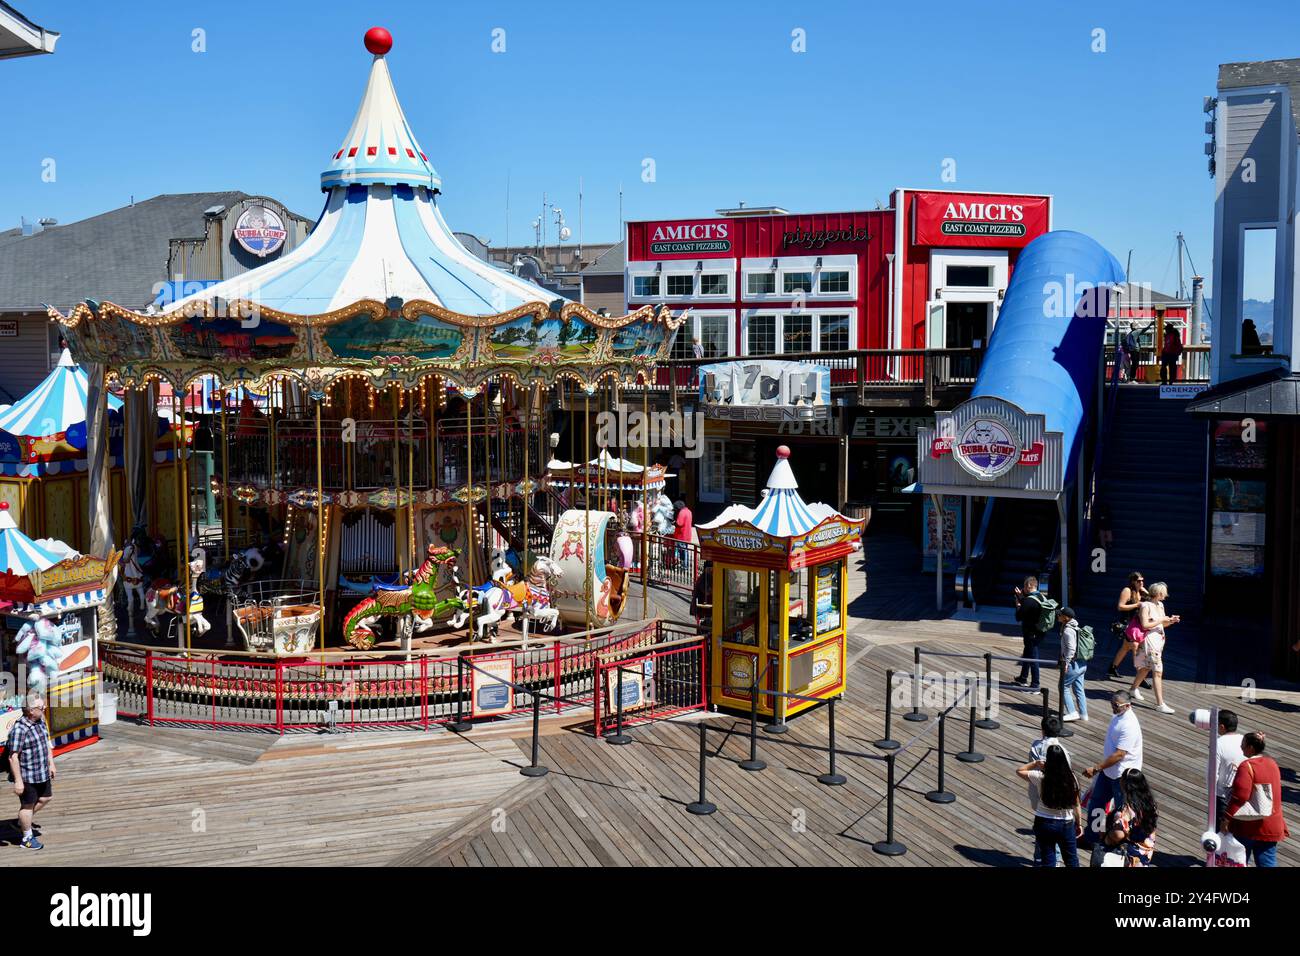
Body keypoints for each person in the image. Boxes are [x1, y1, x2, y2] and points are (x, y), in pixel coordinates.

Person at [1081, 690, 1143, 847]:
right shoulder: (1117, 715)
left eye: (1116, 705)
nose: (1113, 707)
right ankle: (1093, 837)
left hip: (1122, 776)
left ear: (1128, 705)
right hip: (1109, 772)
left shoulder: (1129, 725)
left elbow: (1119, 755)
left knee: (1123, 812)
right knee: (1097, 805)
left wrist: (1096, 768)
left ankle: (1120, 842)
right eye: (1112, 704)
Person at [1224, 732, 1289, 867]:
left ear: (1251, 748)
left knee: (1238, 860)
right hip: (1272, 823)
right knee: (1267, 862)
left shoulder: (1246, 766)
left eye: (1243, 745)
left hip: (1249, 825)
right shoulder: (1272, 763)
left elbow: (1240, 796)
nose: (1241, 748)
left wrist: (1227, 818)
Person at [1018, 744, 1084, 867]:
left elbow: (1019, 770)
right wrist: (1079, 823)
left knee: (1048, 860)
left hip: (1044, 822)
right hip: (1066, 823)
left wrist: (1036, 763)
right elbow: (1076, 804)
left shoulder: (1040, 777)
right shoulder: (1072, 779)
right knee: (1071, 860)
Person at [6, 693, 54, 851]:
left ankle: (20, 821)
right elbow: (13, 757)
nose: (45, 708)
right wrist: (18, 781)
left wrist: (51, 763)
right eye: (41, 707)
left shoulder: (40, 720)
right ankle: (26, 839)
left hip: (41, 772)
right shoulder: (20, 729)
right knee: (27, 807)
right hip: (27, 776)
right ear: (31, 711)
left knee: (46, 797)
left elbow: (46, 743)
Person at [1130, 581, 1178, 714]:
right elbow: (1145, 625)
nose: (1165, 595)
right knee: (1157, 671)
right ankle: (1160, 704)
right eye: (1163, 593)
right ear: (1158, 593)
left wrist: (1171, 621)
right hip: (1149, 642)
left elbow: (1162, 625)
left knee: (1145, 667)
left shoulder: (1160, 605)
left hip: (1158, 641)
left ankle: (1133, 689)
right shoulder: (1146, 606)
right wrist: (1162, 620)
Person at [1106, 768, 1159, 866]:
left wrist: (1108, 839)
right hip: (1144, 856)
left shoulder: (1126, 810)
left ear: (1125, 785)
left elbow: (1118, 834)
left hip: (1127, 858)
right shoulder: (1151, 805)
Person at [1012, 576, 1053, 689]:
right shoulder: (1041, 597)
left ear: (1029, 586)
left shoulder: (1029, 600)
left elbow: (1019, 616)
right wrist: (1021, 597)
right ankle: (1023, 678)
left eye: (1025, 586)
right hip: (1040, 631)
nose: (1023, 588)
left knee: (1033, 657)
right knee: (1027, 653)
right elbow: (1030, 607)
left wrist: (1018, 605)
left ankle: (1035, 684)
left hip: (1031, 633)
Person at [1107, 571, 1148, 682]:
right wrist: (1136, 604)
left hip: (1136, 625)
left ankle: (1112, 668)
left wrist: (1146, 593)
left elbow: (1151, 602)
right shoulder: (1127, 590)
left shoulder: (1141, 592)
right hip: (1126, 624)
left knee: (1125, 647)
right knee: (1135, 646)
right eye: (1139, 581)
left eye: (1142, 580)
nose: (1141, 582)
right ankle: (1140, 676)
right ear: (1133, 581)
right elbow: (1120, 607)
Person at [1058, 606, 1088, 723]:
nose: (1058, 616)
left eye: (1060, 615)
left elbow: (1071, 648)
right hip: (1082, 664)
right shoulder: (1076, 626)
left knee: (1063, 686)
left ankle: (1072, 712)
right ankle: (1083, 713)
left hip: (1073, 664)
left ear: (1066, 617)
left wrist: (1066, 663)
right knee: (1079, 689)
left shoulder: (1067, 630)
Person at [1215, 710, 1245, 824]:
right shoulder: (1244, 739)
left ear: (1222, 726)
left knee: (1221, 832)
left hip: (1222, 795)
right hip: (1243, 794)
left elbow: (1213, 773)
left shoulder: (1219, 743)